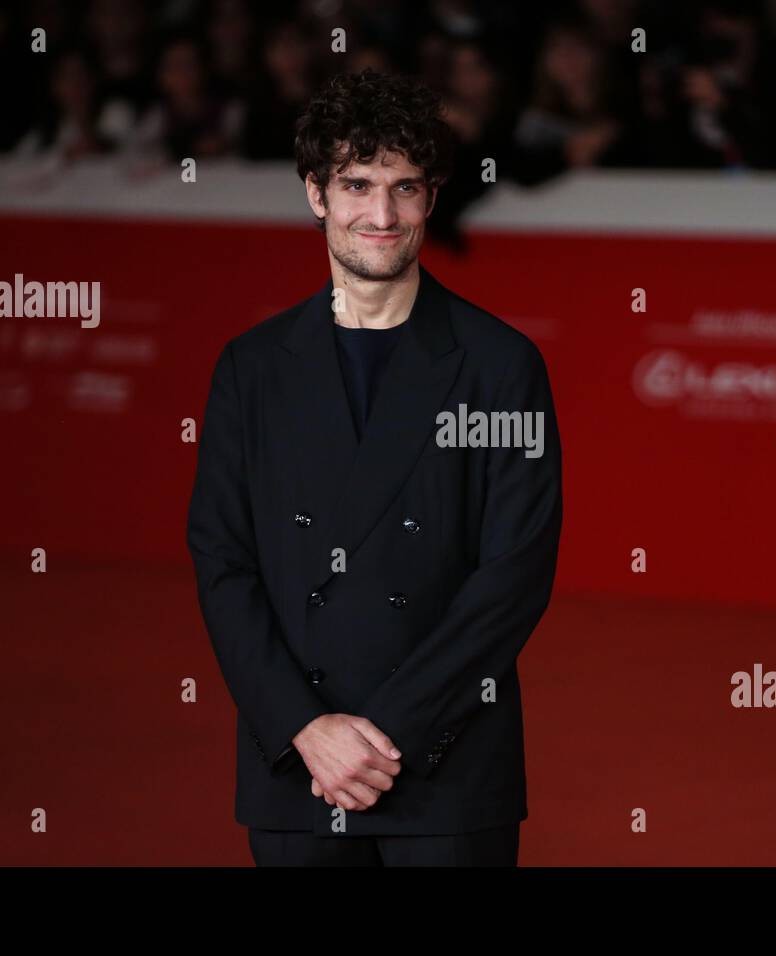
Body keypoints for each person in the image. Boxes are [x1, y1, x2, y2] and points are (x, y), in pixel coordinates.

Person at [186, 68, 563, 866]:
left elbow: (515, 573)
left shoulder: (501, 366)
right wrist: (305, 727)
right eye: (357, 185)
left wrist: (387, 733)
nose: (382, 215)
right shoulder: (251, 370)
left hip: (446, 766)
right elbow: (222, 560)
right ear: (316, 194)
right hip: (298, 764)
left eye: (406, 187)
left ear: (433, 198)